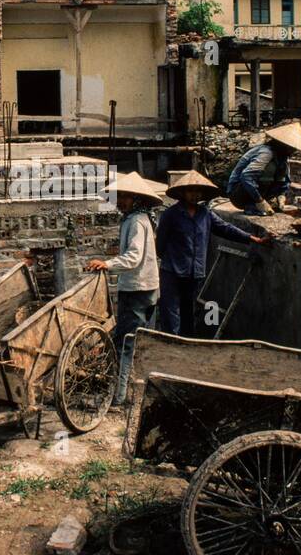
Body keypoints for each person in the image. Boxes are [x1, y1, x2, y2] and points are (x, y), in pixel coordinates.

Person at [156, 170, 269, 337]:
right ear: (182, 193)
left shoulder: (205, 214)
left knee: (189, 311)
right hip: (172, 270)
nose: (194, 195)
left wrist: (253, 238)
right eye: (190, 191)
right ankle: (168, 344)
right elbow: (160, 243)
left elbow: (225, 228)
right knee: (171, 312)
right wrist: (171, 259)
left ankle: (186, 347)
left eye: (198, 191)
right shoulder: (171, 215)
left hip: (195, 272)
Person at [85, 171, 166, 405]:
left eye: (125, 197)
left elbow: (133, 257)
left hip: (137, 290)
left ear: (136, 199)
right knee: (136, 342)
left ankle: (117, 397)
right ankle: (133, 392)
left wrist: (107, 263)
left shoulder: (136, 221)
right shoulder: (141, 219)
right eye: (118, 197)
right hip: (147, 287)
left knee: (125, 343)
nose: (120, 202)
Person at [225, 122, 301, 216]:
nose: (293, 151)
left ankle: (265, 202)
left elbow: (285, 181)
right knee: (269, 170)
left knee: (281, 171)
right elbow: (246, 177)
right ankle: (252, 205)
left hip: (259, 192)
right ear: (283, 144)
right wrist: (260, 201)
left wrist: (281, 196)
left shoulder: (283, 157)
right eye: (291, 148)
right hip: (238, 194)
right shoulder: (266, 153)